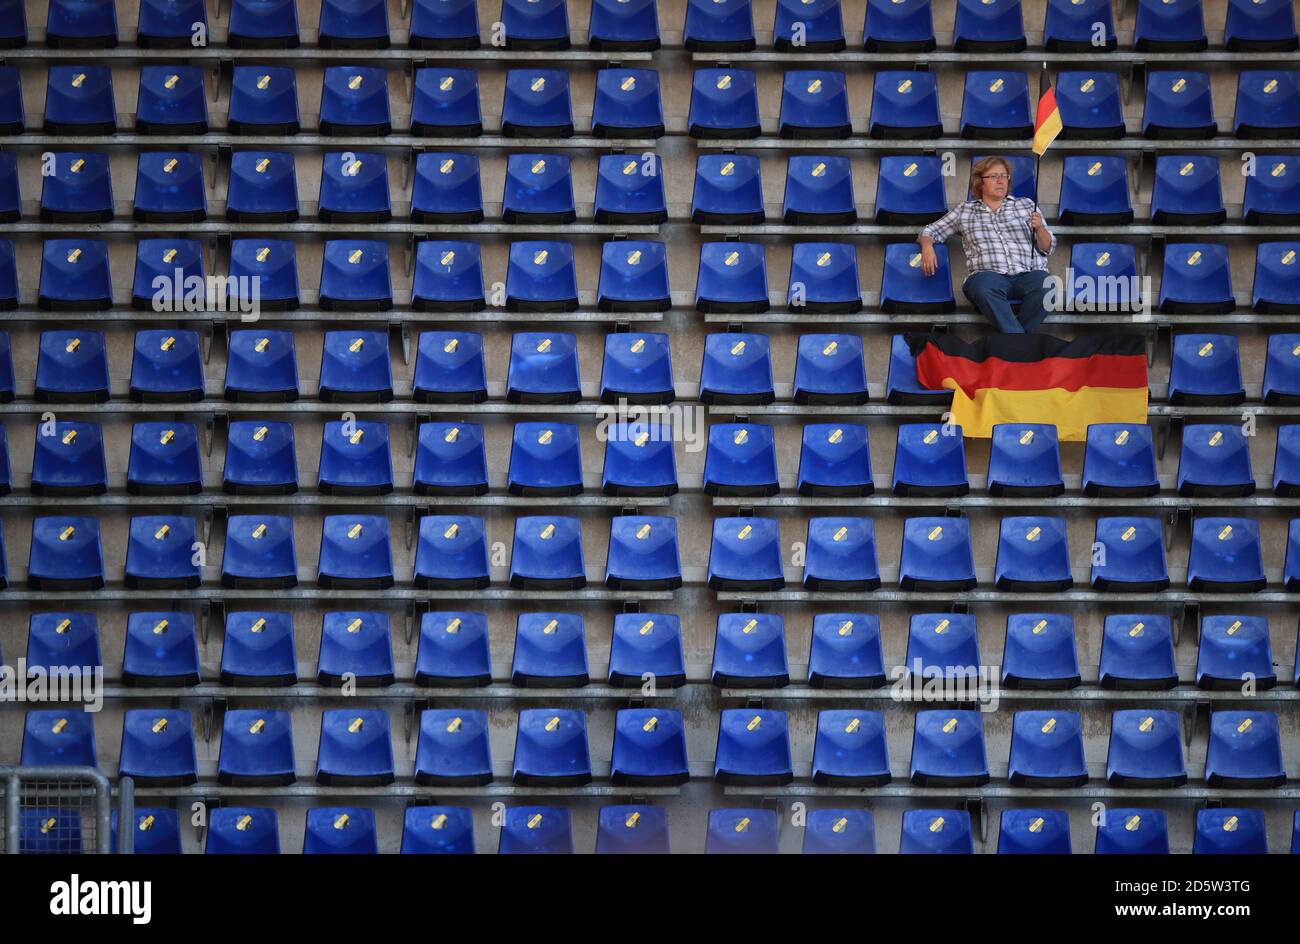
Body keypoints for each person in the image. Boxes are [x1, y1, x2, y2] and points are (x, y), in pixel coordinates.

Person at [916, 155, 1057, 333]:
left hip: (1028, 275)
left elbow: (1048, 248)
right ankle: (1021, 345)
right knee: (982, 286)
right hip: (989, 277)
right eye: (994, 176)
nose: (1000, 181)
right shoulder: (965, 210)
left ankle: (1014, 344)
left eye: (1004, 176)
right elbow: (929, 231)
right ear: (980, 182)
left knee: (1048, 285)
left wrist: (1040, 230)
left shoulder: (1027, 205)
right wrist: (927, 247)